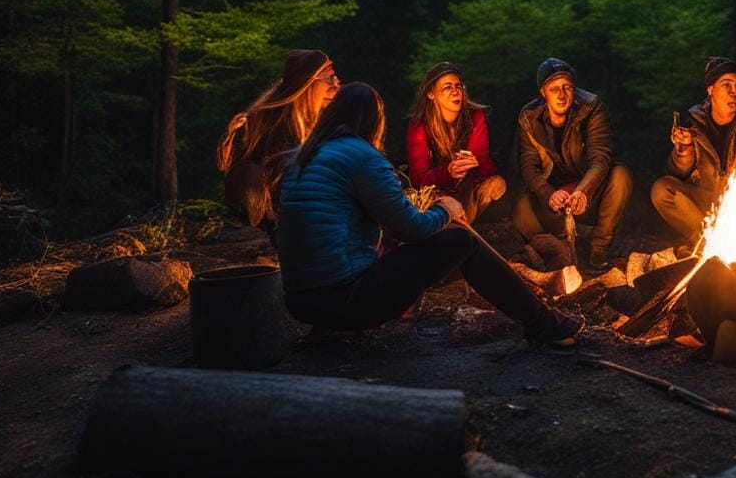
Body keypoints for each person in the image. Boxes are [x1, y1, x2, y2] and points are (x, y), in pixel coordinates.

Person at [276, 82, 581, 344]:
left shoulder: (304, 157)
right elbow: (411, 229)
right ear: (375, 119)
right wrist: (445, 209)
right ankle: (542, 322)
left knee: (442, 240)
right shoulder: (362, 156)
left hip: (301, 303)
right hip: (347, 300)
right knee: (462, 240)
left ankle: (539, 314)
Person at [512, 58, 633, 271]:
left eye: (567, 87)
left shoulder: (591, 108)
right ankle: (559, 247)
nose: (561, 95)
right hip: (553, 199)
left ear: (574, 89)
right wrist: (548, 193)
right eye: (554, 89)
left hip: (589, 192)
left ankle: (598, 249)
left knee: (621, 175)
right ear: (543, 92)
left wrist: (583, 191)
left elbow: (601, 157)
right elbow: (528, 166)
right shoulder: (529, 117)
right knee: (521, 212)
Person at [651, 56, 736, 248]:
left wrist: (733, 203)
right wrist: (684, 147)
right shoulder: (695, 118)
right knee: (662, 189)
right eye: (726, 85)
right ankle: (707, 244)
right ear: (710, 89)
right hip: (705, 199)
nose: (734, 92)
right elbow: (678, 173)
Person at [216, 49, 339, 230]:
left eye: (336, 79)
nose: (337, 85)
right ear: (304, 86)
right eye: (329, 79)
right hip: (273, 227)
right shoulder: (264, 128)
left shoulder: (324, 127)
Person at [406, 62, 506, 222]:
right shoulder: (420, 125)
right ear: (431, 94)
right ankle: (454, 222)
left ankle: (458, 222)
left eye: (458, 86)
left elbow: (486, 165)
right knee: (430, 197)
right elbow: (418, 178)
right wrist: (449, 171)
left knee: (497, 184)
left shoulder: (475, 117)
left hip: (470, 186)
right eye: (447, 87)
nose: (455, 92)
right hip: (437, 191)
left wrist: (475, 163)